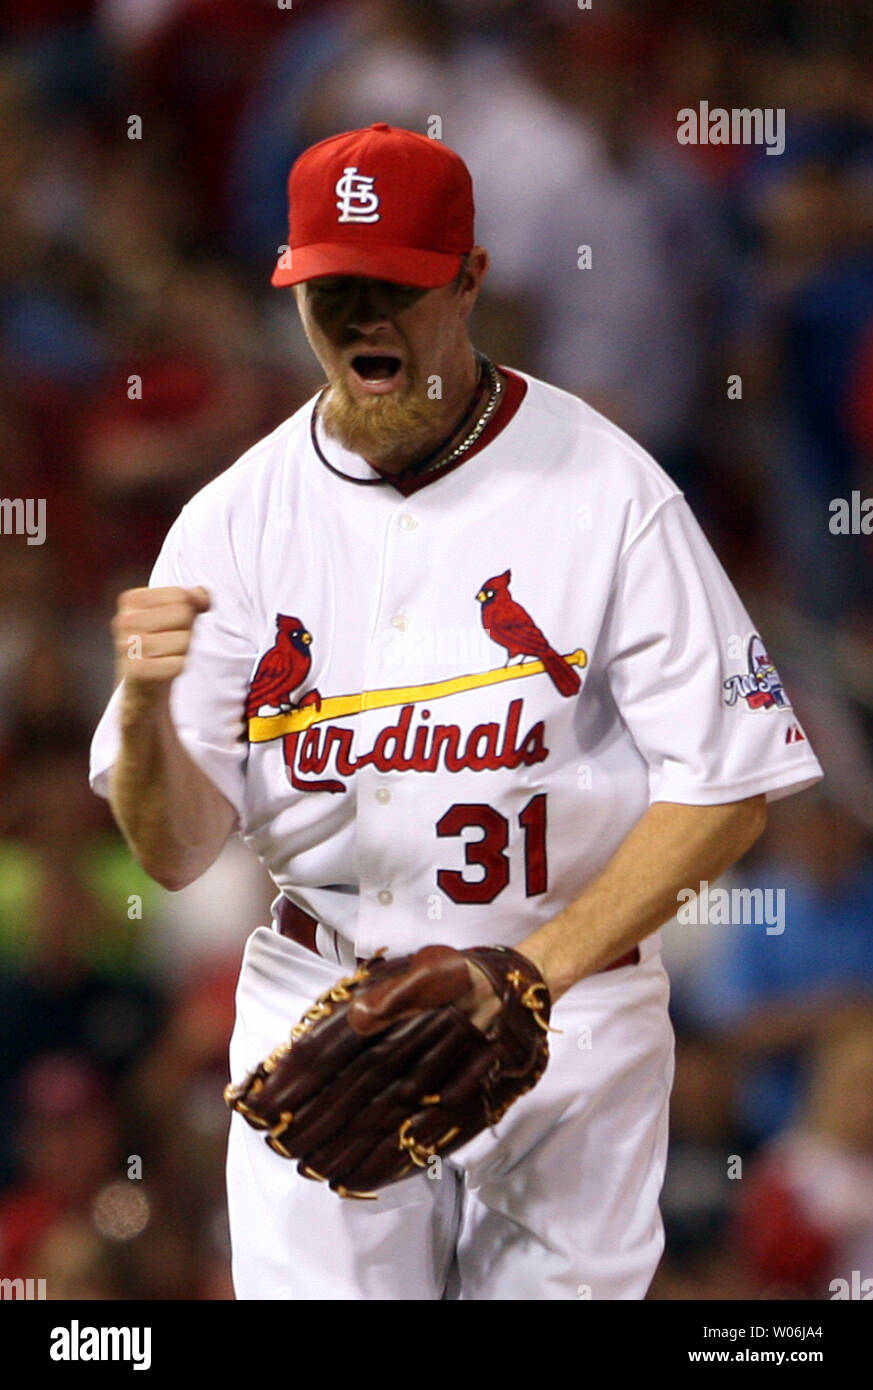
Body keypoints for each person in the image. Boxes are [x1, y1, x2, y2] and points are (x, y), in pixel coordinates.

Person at [89, 124, 823, 1301]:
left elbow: (726, 789)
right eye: (334, 291)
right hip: (315, 1005)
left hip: (569, 1013)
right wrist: (143, 706)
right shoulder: (232, 521)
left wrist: (527, 976)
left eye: (397, 285)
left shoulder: (612, 491)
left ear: (470, 278)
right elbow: (172, 854)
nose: (364, 318)